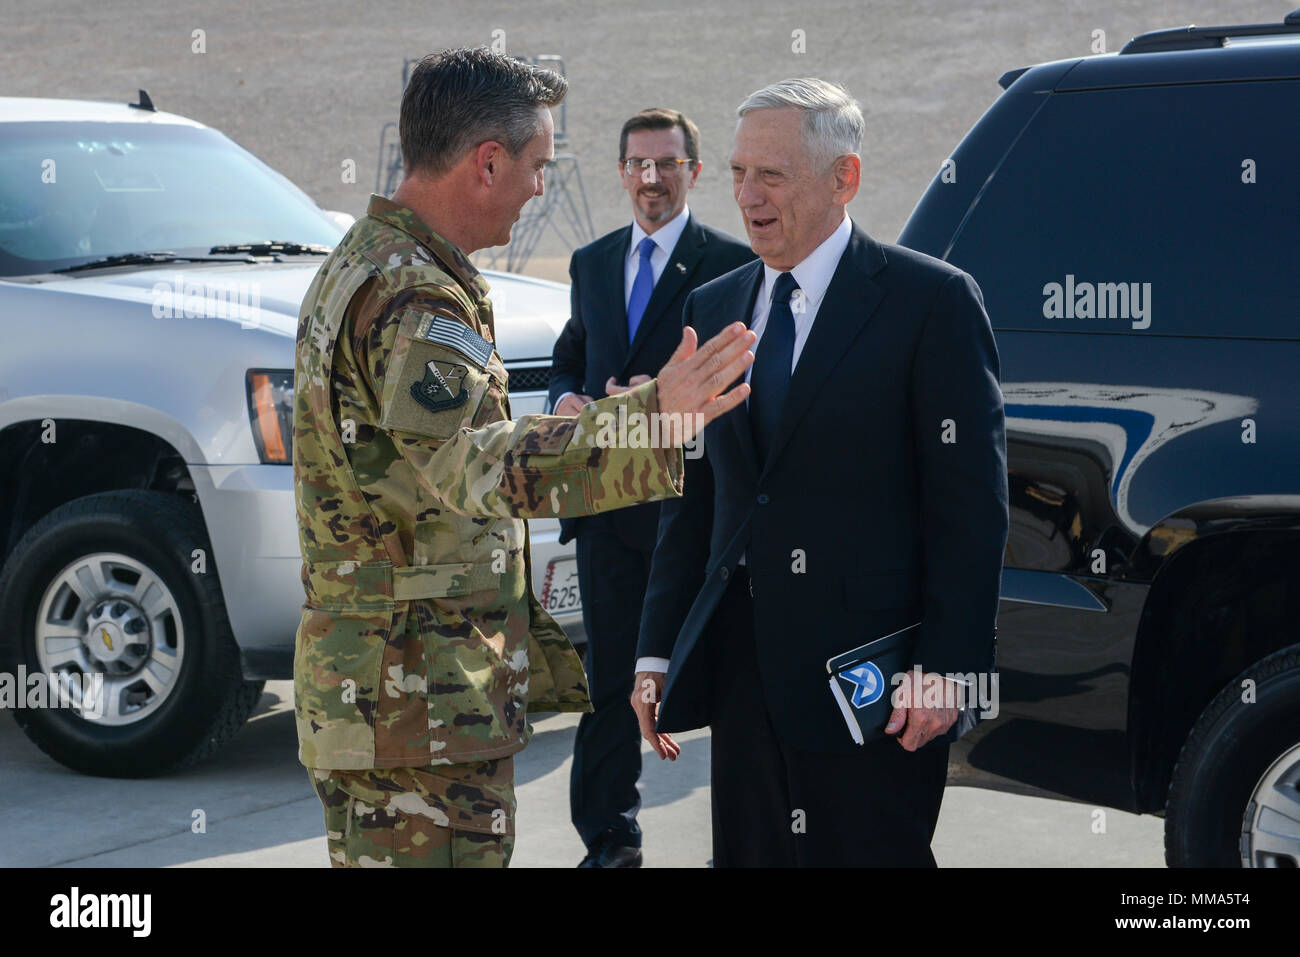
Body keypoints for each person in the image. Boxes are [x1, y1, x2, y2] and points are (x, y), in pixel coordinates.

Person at [293, 47, 756, 868]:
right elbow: (478, 466)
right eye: (539, 166)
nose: (544, 186)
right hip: (413, 710)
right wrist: (655, 418)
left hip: (400, 697)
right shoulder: (410, 292)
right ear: (487, 162)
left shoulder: (377, 261)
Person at [631, 77, 1009, 867]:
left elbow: (970, 511)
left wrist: (948, 668)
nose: (748, 195)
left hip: (871, 681)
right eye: (737, 173)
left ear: (845, 178)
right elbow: (693, 498)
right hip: (744, 674)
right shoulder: (717, 301)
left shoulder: (930, 302)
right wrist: (657, 652)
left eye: (772, 174)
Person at [548, 107, 755, 867]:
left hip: (689, 516)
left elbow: (746, 382)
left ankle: (745, 843)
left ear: (693, 173)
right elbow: (572, 355)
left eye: (667, 164)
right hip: (607, 515)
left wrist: (663, 397)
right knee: (608, 689)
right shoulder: (592, 262)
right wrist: (566, 398)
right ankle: (609, 842)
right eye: (637, 164)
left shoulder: (732, 264)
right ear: (621, 172)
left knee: (713, 686)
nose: (650, 179)